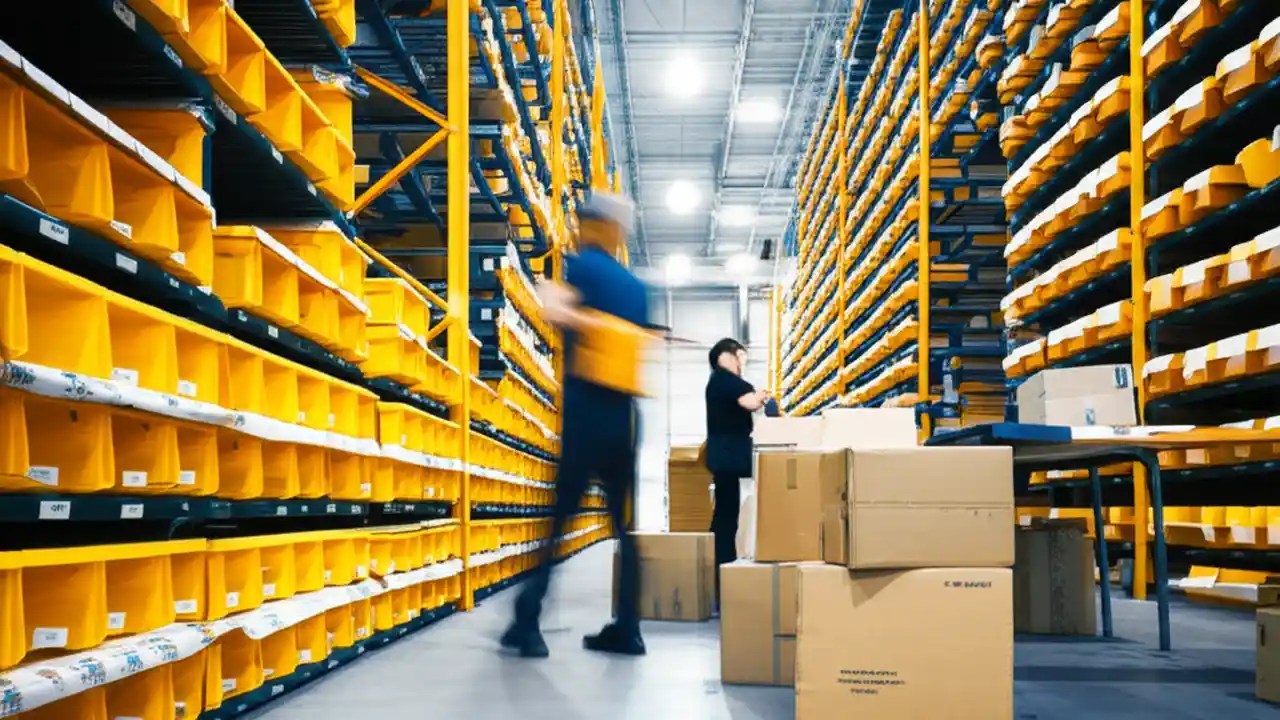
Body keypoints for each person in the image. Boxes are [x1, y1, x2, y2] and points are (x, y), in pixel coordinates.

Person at [501, 192, 649, 659]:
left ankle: (528, 622)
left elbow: (553, 312)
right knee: (625, 528)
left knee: (559, 519)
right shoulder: (636, 285)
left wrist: (561, 303)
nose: (580, 228)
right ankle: (629, 628)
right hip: (625, 417)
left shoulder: (581, 265)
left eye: (585, 221)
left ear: (597, 226)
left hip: (587, 413)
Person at [703, 338, 769, 574]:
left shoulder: (717, 382)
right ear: (728, 355)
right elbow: (750, 402)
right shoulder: (726, 380)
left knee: (724, 514)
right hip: (727, 457)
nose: (742, 363)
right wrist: (761, 395)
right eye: (741, 357)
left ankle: (718, 566)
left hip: (723, 458)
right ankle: (723, 568)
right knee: (726, 518)